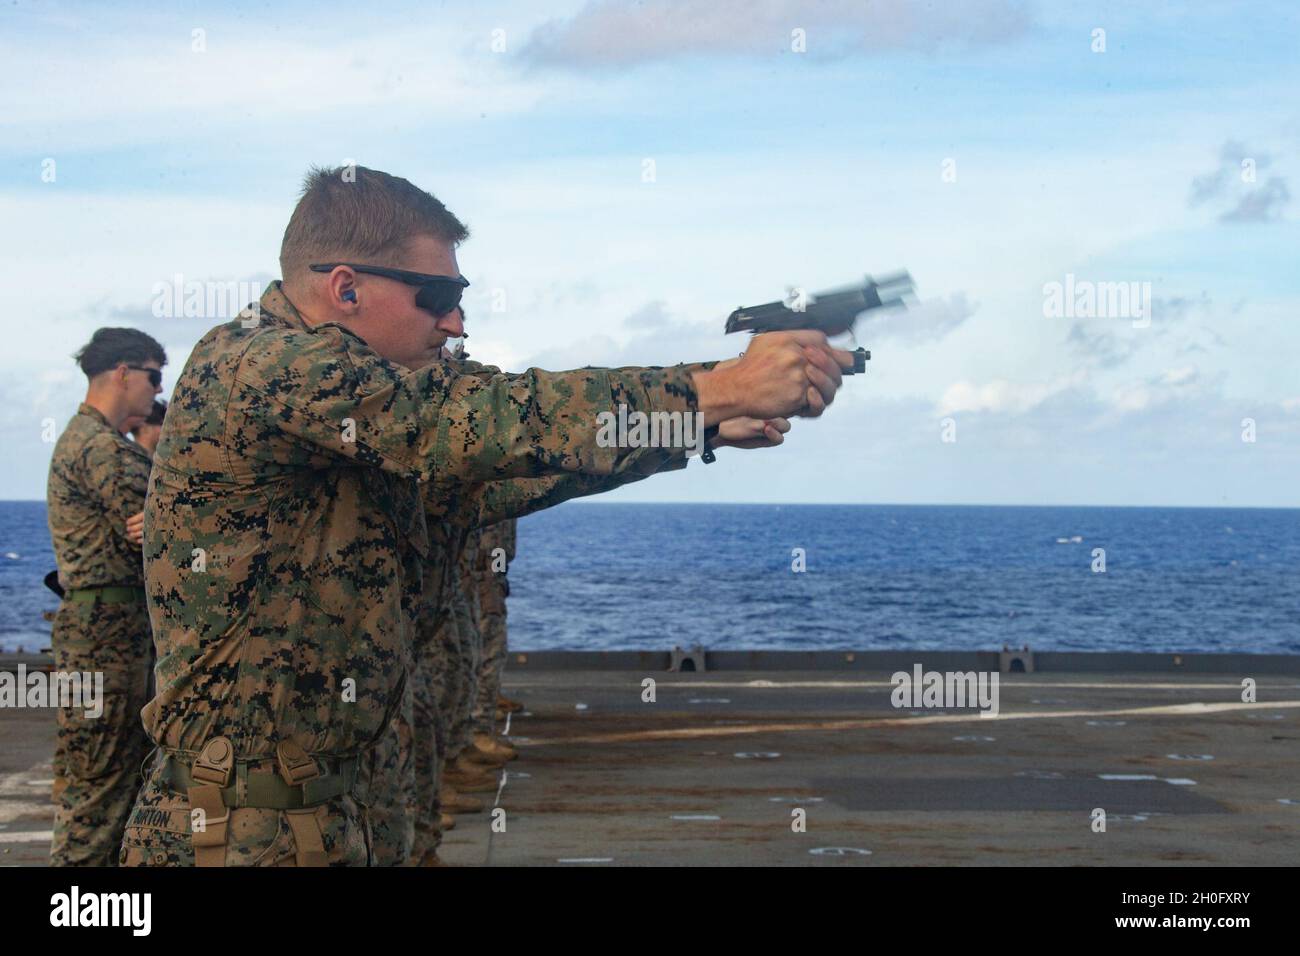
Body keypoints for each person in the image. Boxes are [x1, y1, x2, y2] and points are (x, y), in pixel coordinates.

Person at [120, 164, 850, 866]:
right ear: (344, 287)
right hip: (236, 831)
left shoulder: (363, 410)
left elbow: (504, 474)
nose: (456, 320)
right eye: (436, 293)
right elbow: (484, 420)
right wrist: (721, 387)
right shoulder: (263, 362)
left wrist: (698, 425)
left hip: (331, 809)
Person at [46, 327, 166, 866]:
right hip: (108, 639)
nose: (155, 393)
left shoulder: (92, 441)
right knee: (100, 792)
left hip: (107, 633)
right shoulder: (101, 449)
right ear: (122, 373)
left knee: (109, 781)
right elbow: (164, 524)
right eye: (153, 377)